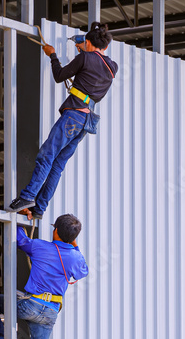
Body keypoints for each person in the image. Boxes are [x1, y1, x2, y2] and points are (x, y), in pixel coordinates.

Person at [9, 22, 117, 216]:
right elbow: (94, 66)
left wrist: (52, 55)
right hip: (87, 121)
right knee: (57, 165)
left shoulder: (84, 57)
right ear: (106, 46)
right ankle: (39, 208)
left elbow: (59, 76)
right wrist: (84, 50)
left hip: (73, 115)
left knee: (46, 156)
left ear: (88, 42)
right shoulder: (112, 67)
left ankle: (27, 196)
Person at [15, 211, 88, 339]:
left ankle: (2, 337)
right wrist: (74, 244)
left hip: (31, 305)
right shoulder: (74, 258)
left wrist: (18, 221)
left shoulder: (40, 246)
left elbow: (20, 240)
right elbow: (83, 270)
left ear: (55, 231)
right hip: (50, 312)